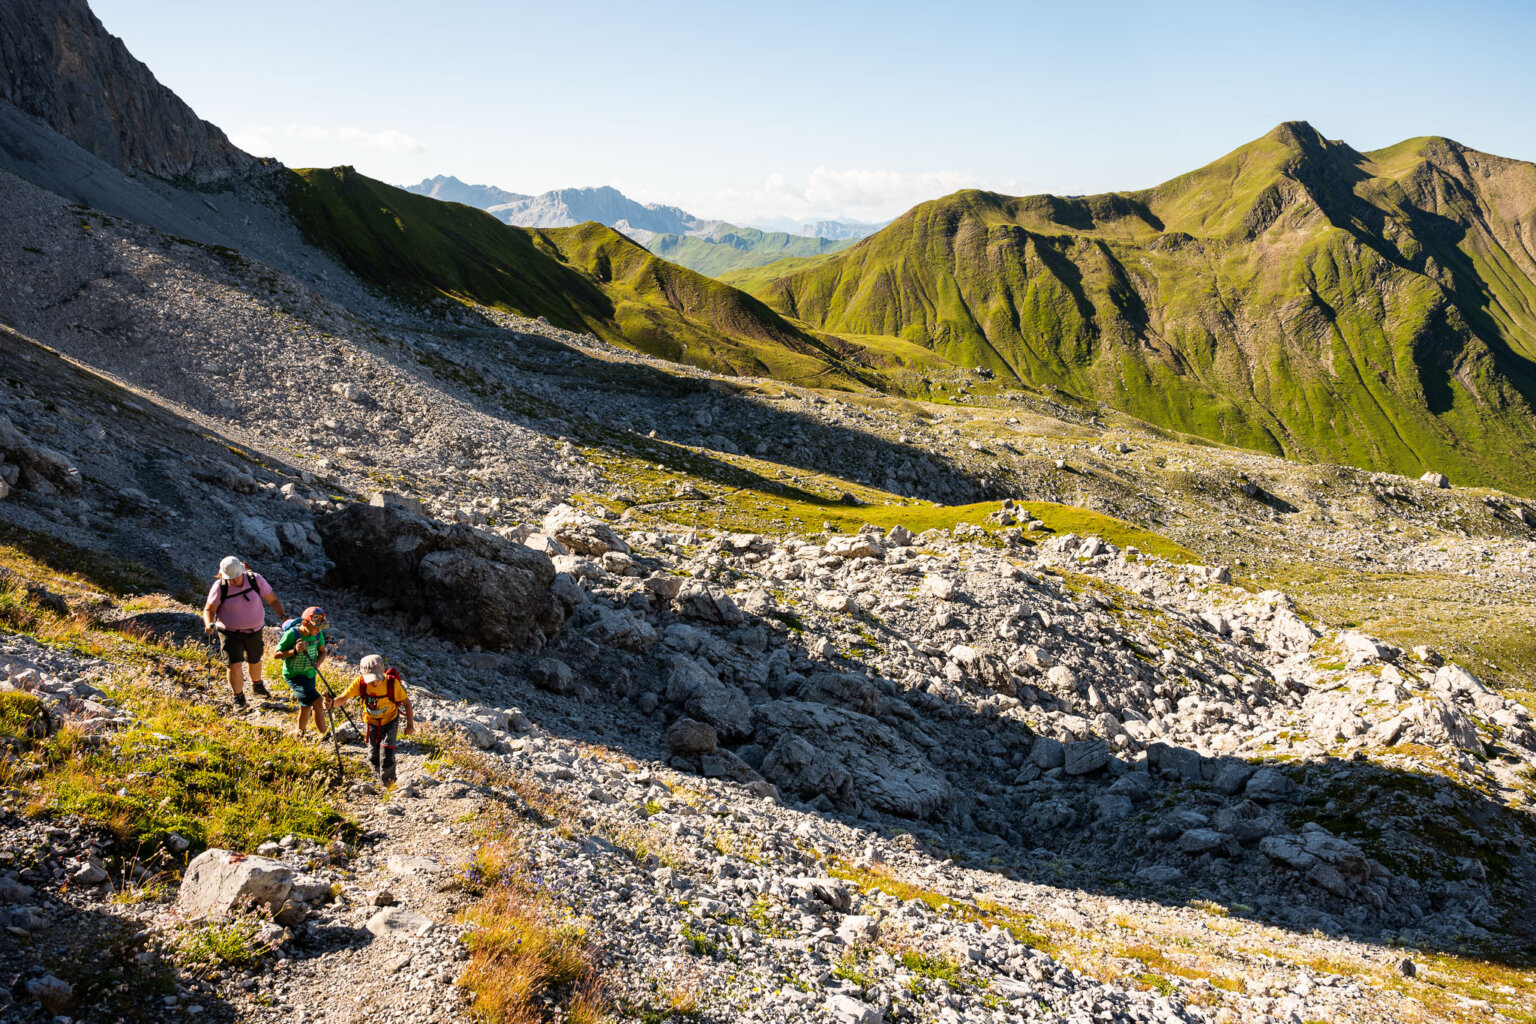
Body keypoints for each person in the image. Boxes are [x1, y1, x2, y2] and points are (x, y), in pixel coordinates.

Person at [202, 556, 285, 708]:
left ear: (242, 570)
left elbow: (272, 599)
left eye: (236, 577)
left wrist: (283, 617)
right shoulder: (220, 587)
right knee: (233, 664)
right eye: (230, 578)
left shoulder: (255, 580)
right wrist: (208, 623)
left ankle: (257, 684)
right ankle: (238, 697)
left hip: (255, 630)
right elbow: (209, 609)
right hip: (229, 631)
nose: (233, 581)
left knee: (255, 659)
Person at [329, 654, 414, 786]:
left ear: (383, 671)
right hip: (372, 722)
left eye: (377, 678)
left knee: (386, 752)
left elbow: (407, 704)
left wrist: (410, 725)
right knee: (373, 755)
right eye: (370, 680)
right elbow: (343, 698)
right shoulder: (360, 683)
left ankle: (389, 784)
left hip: (390, 720)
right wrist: (331, 704)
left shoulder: (392, 683)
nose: (374, 683)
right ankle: (378, 781)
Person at [275, 607, 331, 739]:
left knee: (305, 705)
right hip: (294, 675)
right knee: (318, 701)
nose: (318, 630)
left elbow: (323, 652)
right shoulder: (292, 635)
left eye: (321, 627)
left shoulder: (318, 634)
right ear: (305, 623)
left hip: (309, 674)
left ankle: (300, 732)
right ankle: (324, 734)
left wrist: (317, 664)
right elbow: (276, 655)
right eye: (316, 627)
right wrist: (294, 651)